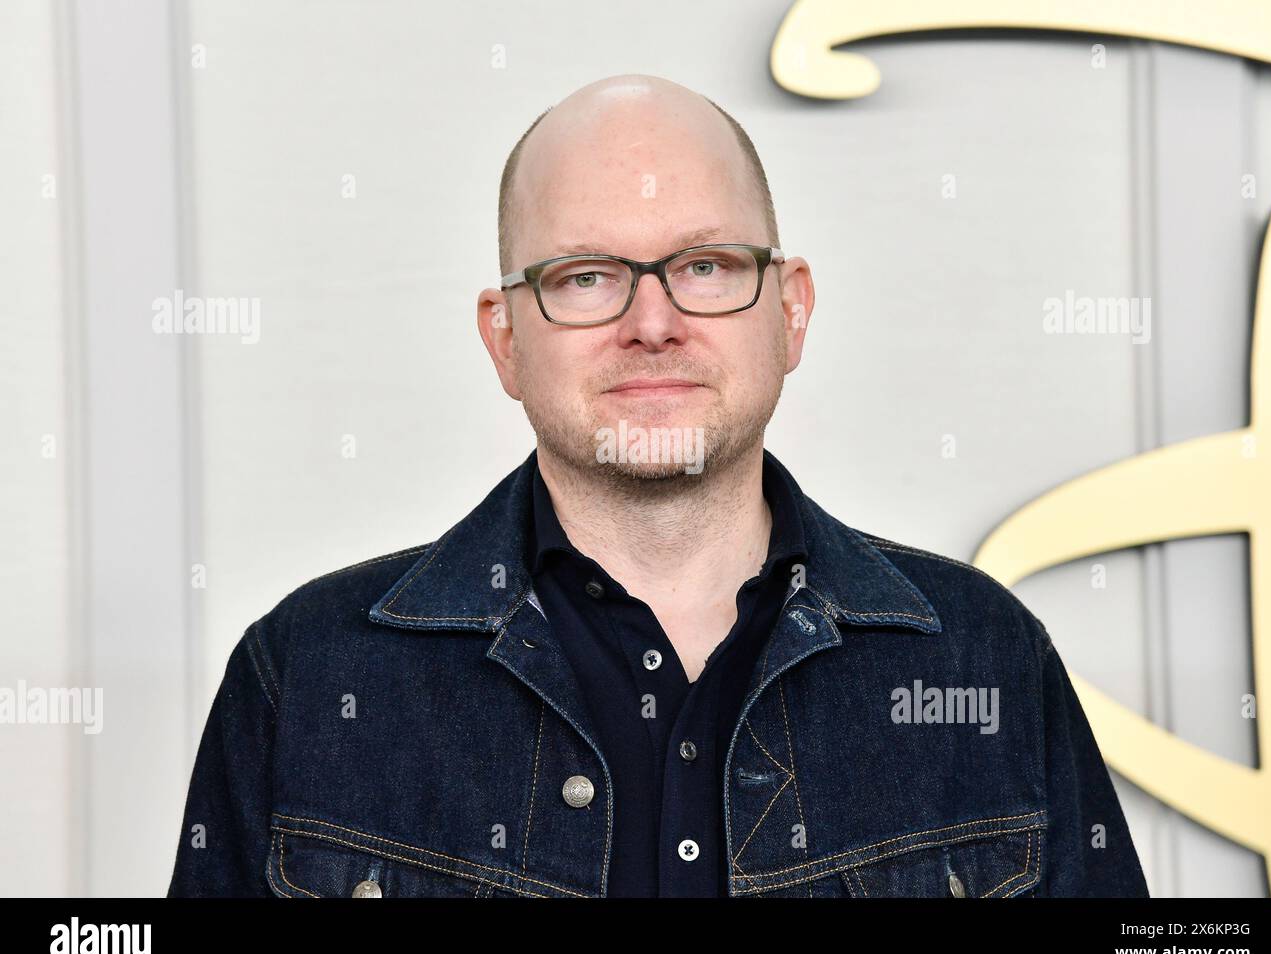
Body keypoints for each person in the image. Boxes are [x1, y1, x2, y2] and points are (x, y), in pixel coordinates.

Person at [167, 74, 1147, 898]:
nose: (651, 322)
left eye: (706, 264)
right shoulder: (306, 677)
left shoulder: (981, 660)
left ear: (790, 311)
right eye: (586, 276)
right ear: (504, 337)